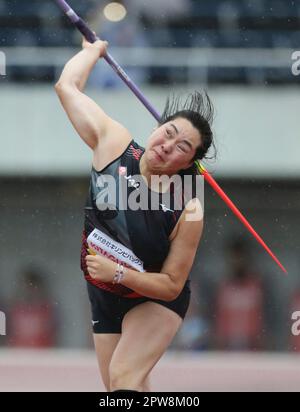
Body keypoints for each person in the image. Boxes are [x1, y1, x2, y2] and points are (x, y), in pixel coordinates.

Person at [55, 37, 214, 392]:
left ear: (189, 164)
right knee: (122, 390)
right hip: (103, 292)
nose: (167, 146)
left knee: (124, 378)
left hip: (155, 298)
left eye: (182, 148)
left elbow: (172, 284)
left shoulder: (188, 207)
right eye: (168, 133)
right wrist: (91, 52)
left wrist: (120, 272)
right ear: (156, 128)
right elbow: (67, 86)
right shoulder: (113, 144)